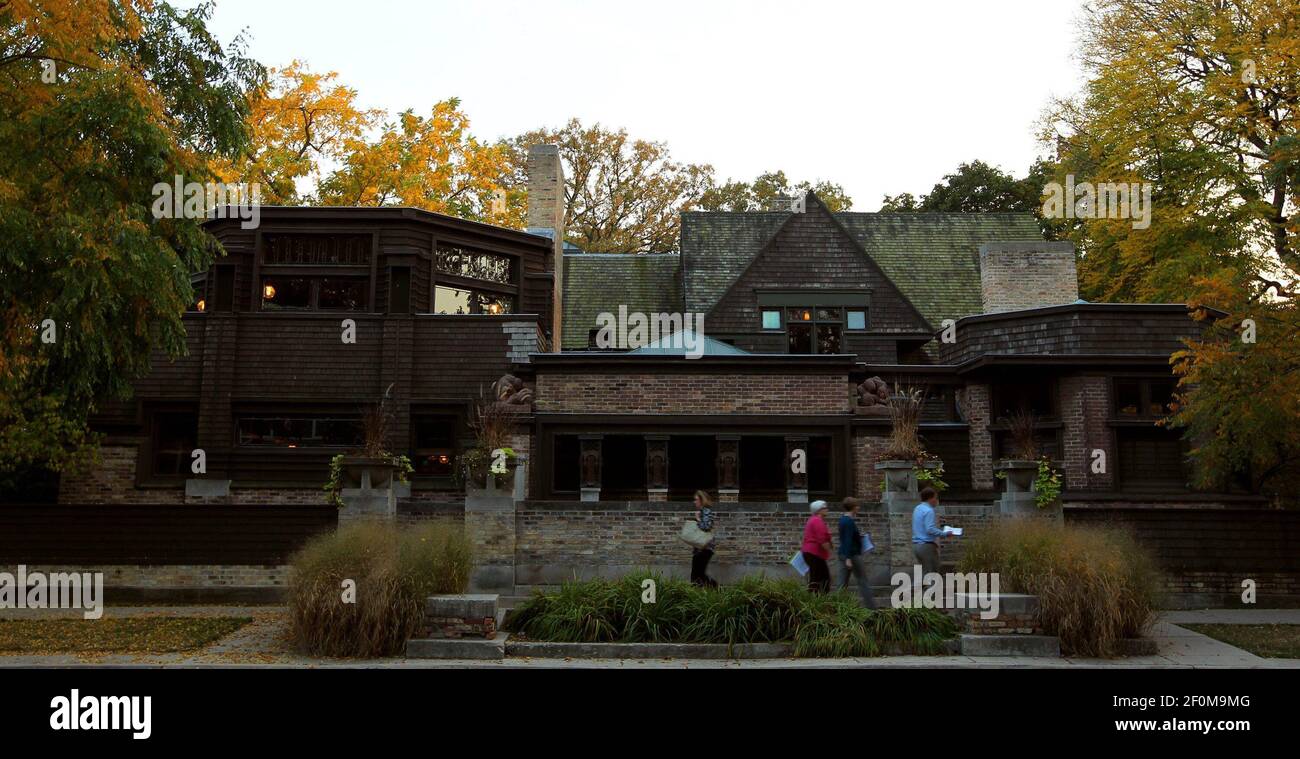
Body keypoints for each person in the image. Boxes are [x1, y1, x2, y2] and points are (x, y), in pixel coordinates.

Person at [837, 497, 876, 609]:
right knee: (862, 581)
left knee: (842, 584)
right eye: (857, 506)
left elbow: (845, 538)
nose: (858, 507)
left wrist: (859, 536)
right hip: (852, 555)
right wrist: (849, 558)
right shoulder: (849, 522)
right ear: (853, 507)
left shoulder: (843, 520)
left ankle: (838, 607)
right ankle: (871, 608)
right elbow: (848, 540)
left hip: (843, 554)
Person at [801, 500, 833, 593]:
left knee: (817, 578)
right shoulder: (817, 520)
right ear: (818, 510)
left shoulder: (814, 520)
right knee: (821, 578)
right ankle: (818, 600)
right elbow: (822, 539)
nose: (827, 509)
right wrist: (830, 552)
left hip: (812, 553)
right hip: (814, 553)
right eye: (824, 508)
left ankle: (816, 599)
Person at [911, 487, 944, 577]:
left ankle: (922, 589)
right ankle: (932, 590)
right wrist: (944, 533)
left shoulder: (917, 508)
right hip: (926, 546)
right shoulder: (929, 511)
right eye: (935, 498)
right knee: (933, 574)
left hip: (916, 545)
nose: (936, 501)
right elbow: (930, 529)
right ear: (930, 498)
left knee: (925, 574)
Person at [690, 490, 718, 587]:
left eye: (696, 500)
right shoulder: (702, 512)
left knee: (698, 574)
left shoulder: (706, 511)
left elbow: (706, 527)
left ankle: (715, 587)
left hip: (705, 548)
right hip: (700, 548)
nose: (694, 502)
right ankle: (698, 593)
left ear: (702, 500)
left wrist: (697, 519)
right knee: (696, 575)